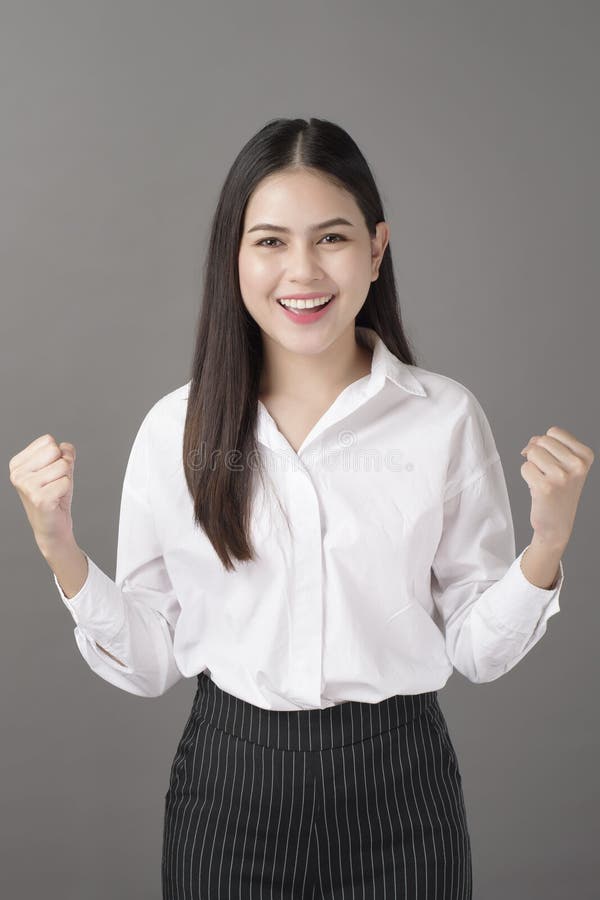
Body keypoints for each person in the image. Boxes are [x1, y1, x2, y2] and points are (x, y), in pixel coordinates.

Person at [9, 117, 594, 900]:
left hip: (400, 786)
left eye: (332, 238)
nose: (303, 270)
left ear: (377, 249)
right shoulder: (175, 430)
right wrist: (61, 551)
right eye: (271, 241)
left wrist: (547, 542)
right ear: (234, 255)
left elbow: (477, 650)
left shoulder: (444, 418)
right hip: (228, 786)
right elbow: (150, 664)